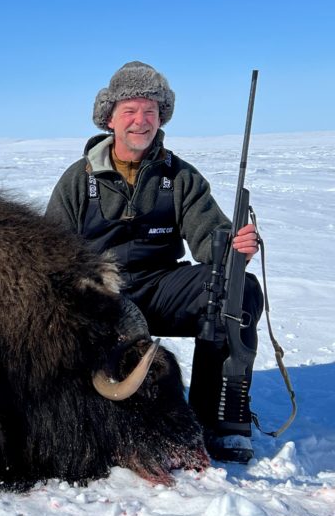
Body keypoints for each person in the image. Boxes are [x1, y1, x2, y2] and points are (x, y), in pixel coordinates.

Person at [45, 61, 264, 463]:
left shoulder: (181, 178)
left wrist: (237, 250)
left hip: (160, 288)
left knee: (238, 290)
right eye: (130, 111)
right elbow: (49, 256)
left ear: (161, 117)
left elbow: (210, 242)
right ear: (109, 118)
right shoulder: (78, 180)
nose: (140, 121)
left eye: (150, 111)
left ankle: (216, 416)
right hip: (101, 297)